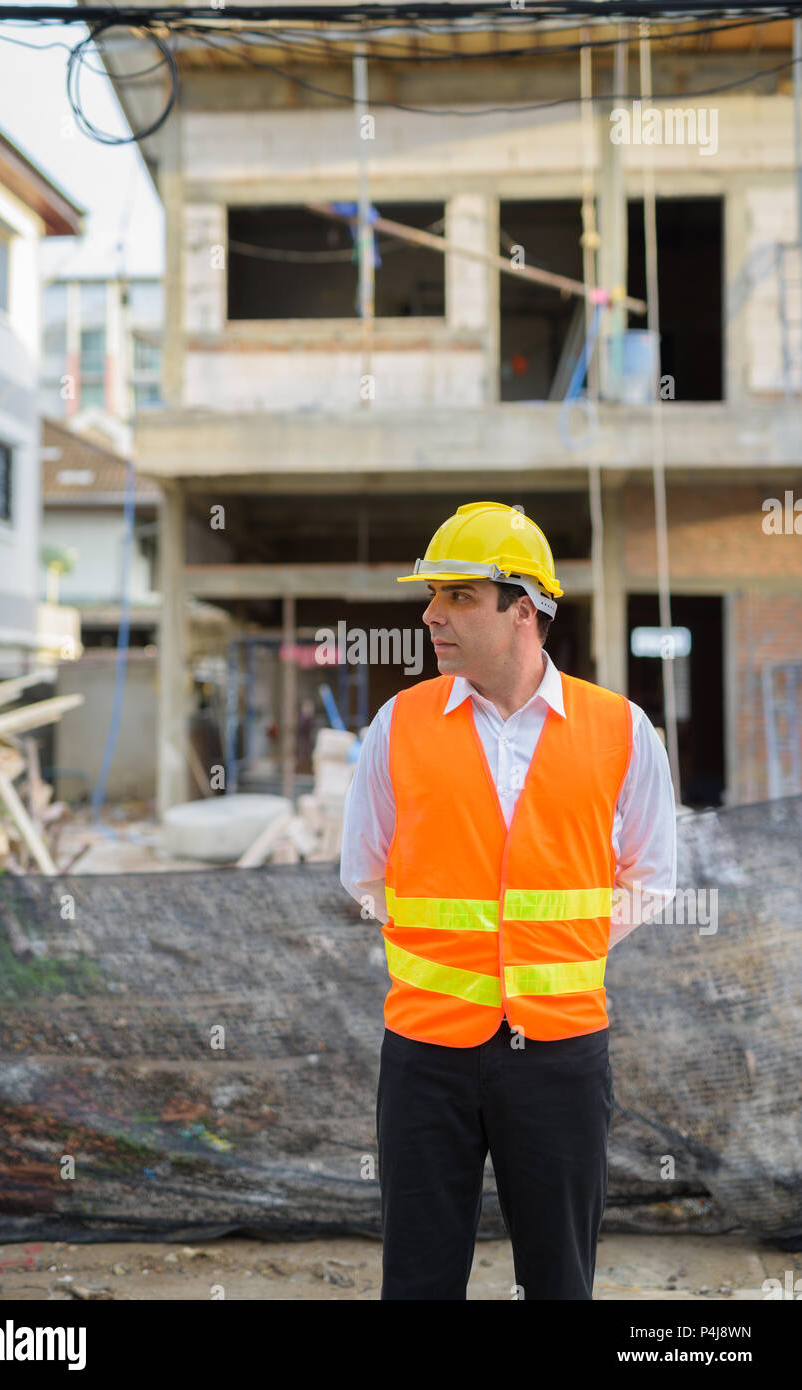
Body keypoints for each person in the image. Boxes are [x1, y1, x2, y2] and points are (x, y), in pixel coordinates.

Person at [339, 501, 677, 1300]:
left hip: (560, 1053)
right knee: (418, 1278)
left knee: (559, 1279)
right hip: (425, 1053)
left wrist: (548, 959)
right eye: (432, 597)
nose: (430, 615)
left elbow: (650, 877)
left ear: (521, 612)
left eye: (456, 596)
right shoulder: (397, 726)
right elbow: (363, 875)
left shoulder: (622, 730)